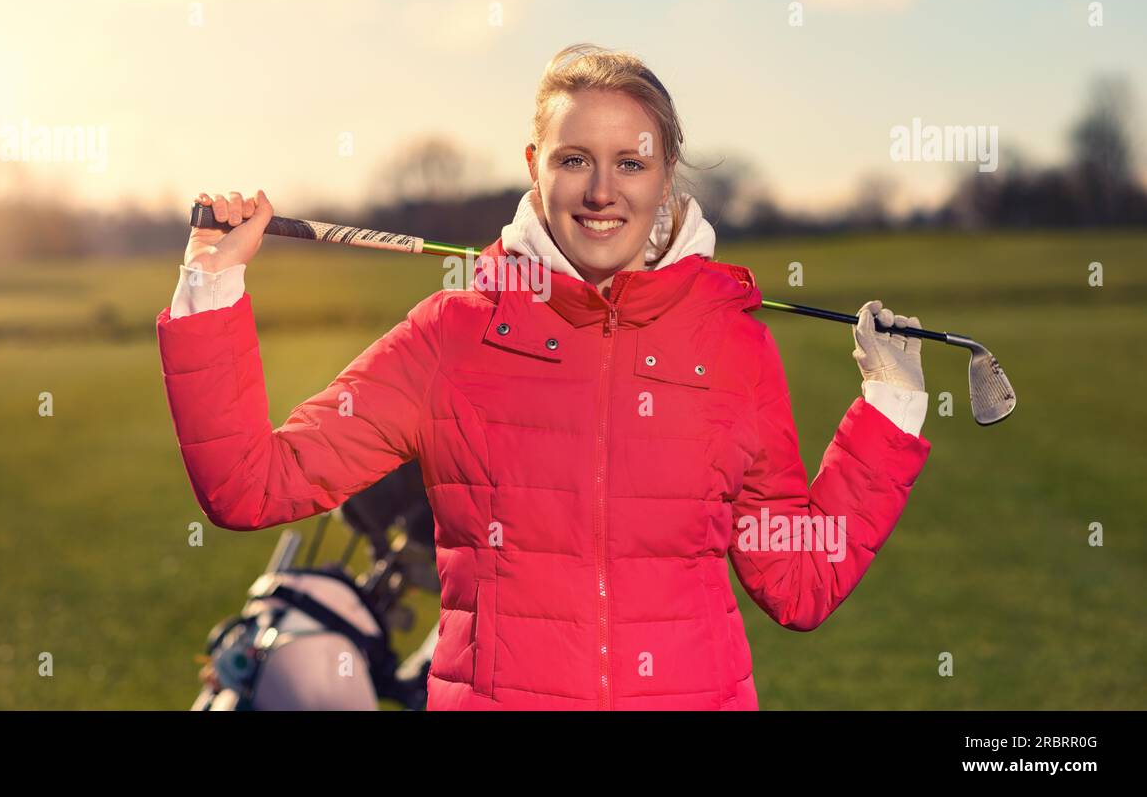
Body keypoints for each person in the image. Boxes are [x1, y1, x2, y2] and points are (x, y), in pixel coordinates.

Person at [156, 43, 931, 710]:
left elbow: (798, 581)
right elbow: (250, 484)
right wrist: (212, 285)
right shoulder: (453, 334)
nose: (602, 191)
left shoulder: (734, 348)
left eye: (631, 161)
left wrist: (889, 412)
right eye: (574, 160)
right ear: (535, 167)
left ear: (666, 176)